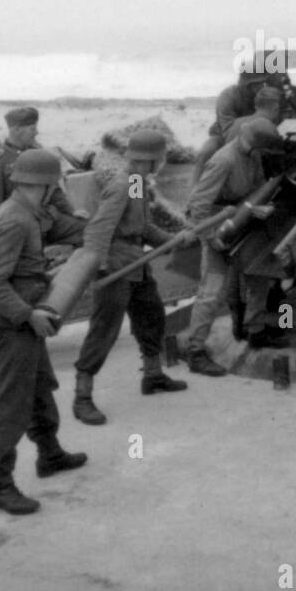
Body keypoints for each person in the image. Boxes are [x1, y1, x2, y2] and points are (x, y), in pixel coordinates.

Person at [0, 149, 89, 515]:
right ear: (41, 185)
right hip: (10, 324)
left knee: (40, 386)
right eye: (52, 187)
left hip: (24, 320)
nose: (53, 193)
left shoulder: (29, 213)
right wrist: (28, 315)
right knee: (11, 402)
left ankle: (49, 454)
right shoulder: (14, 220)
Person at [72, 131, 194, 424]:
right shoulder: (123, 185)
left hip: (136, 263)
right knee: (105, 331)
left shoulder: (138, 183)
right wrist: (99, 267)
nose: (163, 163)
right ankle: (82, 396)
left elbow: (142, 227)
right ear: (151, 160)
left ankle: (152, 376)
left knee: (151, 316)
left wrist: (174, 238)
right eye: (161, 158)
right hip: (116, 268)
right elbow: (99, 229)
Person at [185, 117, 283, 375]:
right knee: (211, 292)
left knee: (259, 276)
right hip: (220, 229)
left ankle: (255, 332)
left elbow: (257, 188)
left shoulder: (254, 157)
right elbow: (198, 204)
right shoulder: (224, 160)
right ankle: (195, 351)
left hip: (245, 224)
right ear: (253, 143)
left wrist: (260, 207)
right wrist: (210, 237)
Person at [0, 106, 74, 226]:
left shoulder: (38, 154)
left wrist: (72, 211)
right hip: (18, 226)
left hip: (45, 220)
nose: (37, 132)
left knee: (85, 228)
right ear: (17, 130)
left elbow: (54, 190)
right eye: (32, 128)